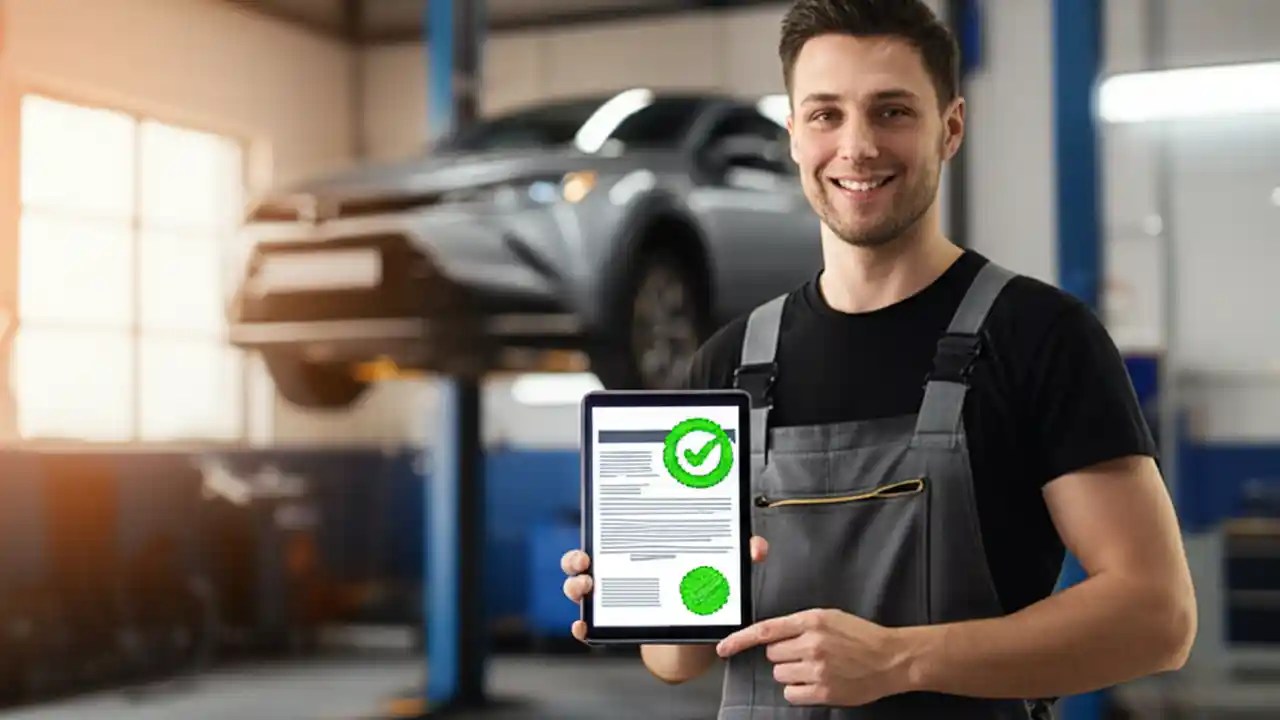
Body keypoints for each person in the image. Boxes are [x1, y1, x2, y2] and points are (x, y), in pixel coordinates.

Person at [562, 1, 1197, 717]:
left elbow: (1158, 618)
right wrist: (644, 585)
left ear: (950, 127)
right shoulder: (729, 364)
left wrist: (901, 659)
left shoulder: (1040, 337)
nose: (856, 146)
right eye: (826, 114)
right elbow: (675, 661)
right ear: (795, 135)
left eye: (891, 111)